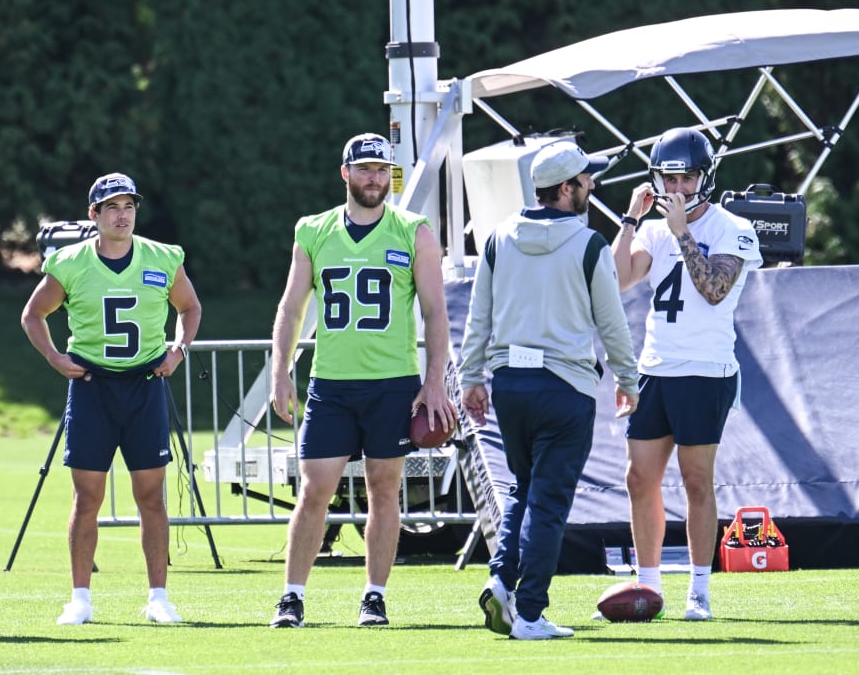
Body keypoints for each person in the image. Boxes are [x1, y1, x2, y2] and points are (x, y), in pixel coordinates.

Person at [268, 132, 457, 628]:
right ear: (345, 173)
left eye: (382, 169)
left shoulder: (413, 229)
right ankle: (291, 596)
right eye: (365, 168)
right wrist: (280, 372)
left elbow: (435, 312)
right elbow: (291, 306)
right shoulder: (313, 229)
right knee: (314, 490)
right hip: (331, 382)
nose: (374, 178)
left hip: (392, 382)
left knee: (384, 487)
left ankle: (374, 595)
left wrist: (434, 380)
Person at [459, 139, 640, 640]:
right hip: (565, 386)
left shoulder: (498, 237)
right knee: (549, 501)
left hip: (511, 383)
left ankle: (502, 583)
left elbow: (479, 318)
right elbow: (612, 323)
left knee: (522, 489)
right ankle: (530, 612)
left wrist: (472, 377)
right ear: (565, 189)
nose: (592, 185)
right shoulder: (590, 245)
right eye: (585, 180)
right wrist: (629, 379)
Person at [20, 172, 202, 626]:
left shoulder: (162, 256)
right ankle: (80, 597)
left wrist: (178, 349)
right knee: (87, 497)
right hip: (92, 387)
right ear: (94, 214)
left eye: (129, 207)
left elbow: (190, 307)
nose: (122, 215)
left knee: (151, 497)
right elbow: (33, 314)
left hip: (143, 385)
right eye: (112, 207)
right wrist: (54, 358)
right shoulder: (70, 262)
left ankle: (158, 596)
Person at [612, 127, 763, 621]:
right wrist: (630, 220)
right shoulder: (652, 229)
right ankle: (647, 587)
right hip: (656, 367)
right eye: (669, 177)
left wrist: (681, 231)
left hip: (704, 370)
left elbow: (714, 288)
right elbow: (618, 280)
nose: (677, 187)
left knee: (697, 482)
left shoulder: (732, 227)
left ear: (705, 177)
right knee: (640, 479)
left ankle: (699, 590)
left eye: (687, 177)